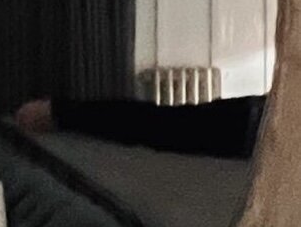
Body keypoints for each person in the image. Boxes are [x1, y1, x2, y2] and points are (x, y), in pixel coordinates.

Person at [13, 93, 266, 158]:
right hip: (256, 127)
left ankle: (63, 114)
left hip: (258, 128)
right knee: (164, 127)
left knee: (163, 127)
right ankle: (63, 114)